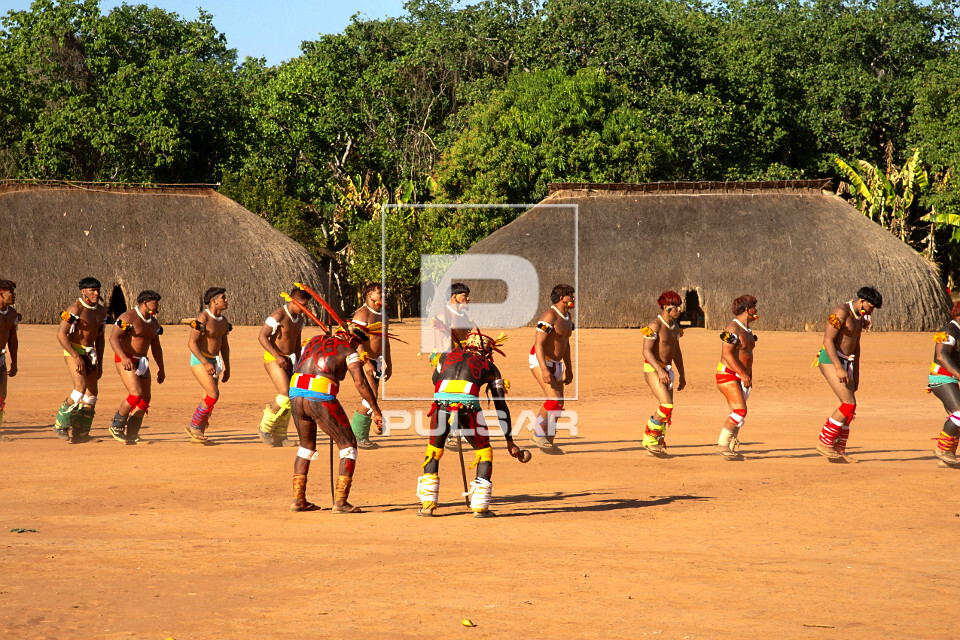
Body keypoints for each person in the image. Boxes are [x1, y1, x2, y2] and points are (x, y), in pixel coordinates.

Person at [417, 331, 521, 517]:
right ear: (487, 352)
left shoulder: (446, 355)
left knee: (433, 450)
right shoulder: (490, 367)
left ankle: (427, 506)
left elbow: (435, 380)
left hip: (440, 405)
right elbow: (500, 406)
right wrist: (509, 440)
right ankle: (480, 507)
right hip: (468, 408)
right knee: (483, 451)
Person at [289, 321, 383, 513]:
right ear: (353, 339)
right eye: (357, 343)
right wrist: (375, 409)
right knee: (348, 446)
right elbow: (360, 382)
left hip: (295, 392)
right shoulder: (349, 350)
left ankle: (298, 500)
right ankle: (340, 502)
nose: (356, 347)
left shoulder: (313, 339)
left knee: (305, 446)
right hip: (320, 396)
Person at [815, 286, 883, 462]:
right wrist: (838, 367)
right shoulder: (840, 312)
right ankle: (824, 442)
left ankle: (839, 451)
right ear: (862, 301)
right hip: (830, 359)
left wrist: (856, 372)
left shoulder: (859, 318)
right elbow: (828, 340)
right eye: (871, 307)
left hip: (847, 361)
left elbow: (856, 346)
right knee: (848, 404)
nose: (872, 311)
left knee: (850, 409)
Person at [55, 277, 109, 442]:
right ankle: (60, 425)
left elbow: (100, 338)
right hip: (75, 350)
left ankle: (81, 433)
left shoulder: (101, 311)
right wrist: (76, 356)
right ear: (83, 291)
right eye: (92, 290)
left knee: (92, 395)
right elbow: (61, 335)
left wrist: (99, 361)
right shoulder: (75, 309)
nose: (96, 293)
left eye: (97, 289)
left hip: (91, 352)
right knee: (79, 389)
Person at [107, 290, 165, 444]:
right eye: (155, 303)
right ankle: (117, 425)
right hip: (126, 359)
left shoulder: (153, 323)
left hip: (142, 362)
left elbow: (156, 348)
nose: (158, 306)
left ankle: (132, 433)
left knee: (145, 399)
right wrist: (124, 357)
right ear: (145, 303)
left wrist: (161, 368)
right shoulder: (128, 317)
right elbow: (113, 338)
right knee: (135, 394)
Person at [257, 288, 311, 447]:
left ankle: (280, 435)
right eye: (302, 305)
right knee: (285, 395)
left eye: (306, 306)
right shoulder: (278, 315)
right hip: (273, 358)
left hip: (290, 360)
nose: (304, 309)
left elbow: (296, 344)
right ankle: (264, 428)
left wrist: (299, 364)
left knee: (292, 397)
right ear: (292, 301)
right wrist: (277, 356)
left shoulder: (300, 320)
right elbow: (262, 336)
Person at [431, 282, 478, 451]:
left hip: (464, 361)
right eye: (464, 295)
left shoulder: (465, 316)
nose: (468, 298)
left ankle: (459, 431)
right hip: (448, 362)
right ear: (454, 297)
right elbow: (442, 346)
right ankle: (450, 434)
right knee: (451, 399)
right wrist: (451, 364)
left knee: (465, 397)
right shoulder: (443, 317)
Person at [529, 284, 575, 451]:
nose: (573, 298)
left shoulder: (568, 317)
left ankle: (548, 439)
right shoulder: (549, 316)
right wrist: (544, 369)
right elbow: (539, 344)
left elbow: (566, 344)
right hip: (540, 360)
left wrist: (569, 368)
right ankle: (538, 434)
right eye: (570, 295)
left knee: (559, 404)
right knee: (553, 399)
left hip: (556, 363)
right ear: (562, 298)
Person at [640, 291, 687, 457]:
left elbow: (677, 353)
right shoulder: (655, 326)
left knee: (668, 409)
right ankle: (649, 439)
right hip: (654, 369)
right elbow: (646, 351)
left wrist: (682, 374)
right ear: (666, 307)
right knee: (666, 405)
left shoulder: (674, 327)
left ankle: (657, 441)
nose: (680, 309)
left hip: (667, 370)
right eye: (676, 306)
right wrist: (659, 371)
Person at [348, 283, 392, 449]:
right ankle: (358, 435)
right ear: (368, 294)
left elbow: (385, 341)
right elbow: (354, 340)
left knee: (371, 397)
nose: (382, 295)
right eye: (379, 292)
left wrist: (389, 362)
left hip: (377, 360)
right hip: (360, 359)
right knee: (370, 396)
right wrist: (365, 362)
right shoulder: (362, 314)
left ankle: (360, 434)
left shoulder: (383, 315)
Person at [185, 287, 231, 444]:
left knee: (208, 397)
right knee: (213, 394)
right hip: (200, 360)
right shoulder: (203, 319)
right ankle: (195, 425)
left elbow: (224, 346)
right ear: (214, 301)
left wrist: (228, 366)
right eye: (223, 298)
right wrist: (204, 362)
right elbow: (191, 343)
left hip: (214, 361)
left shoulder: (224, 321)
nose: (226, 300)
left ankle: (199, 434)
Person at [715, 295, 759, 460]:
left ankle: (730, 446)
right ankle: (723, 444)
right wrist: (741, 373)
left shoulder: (747, 329)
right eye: (754, 307)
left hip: (742, 376)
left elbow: (747, 354)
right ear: (747, 309)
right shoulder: (733, 328)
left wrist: (748, 375)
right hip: (727, 374)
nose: (757, 311)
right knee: (740, 410)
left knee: (738, 412)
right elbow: (726, 353)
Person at [927, 301, 960, 468]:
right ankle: (943, 450)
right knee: (959, 414)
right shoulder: (948, 330)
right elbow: (942, 356)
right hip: (941, 379)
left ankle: (947, 458)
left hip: (952, 379)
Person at [0, 280, 19, 435]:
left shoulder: (12, 314)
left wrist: (15, 362)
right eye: (10, 292)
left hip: (1, 358)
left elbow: (13, 340)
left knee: (2, 394)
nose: (13, 295)